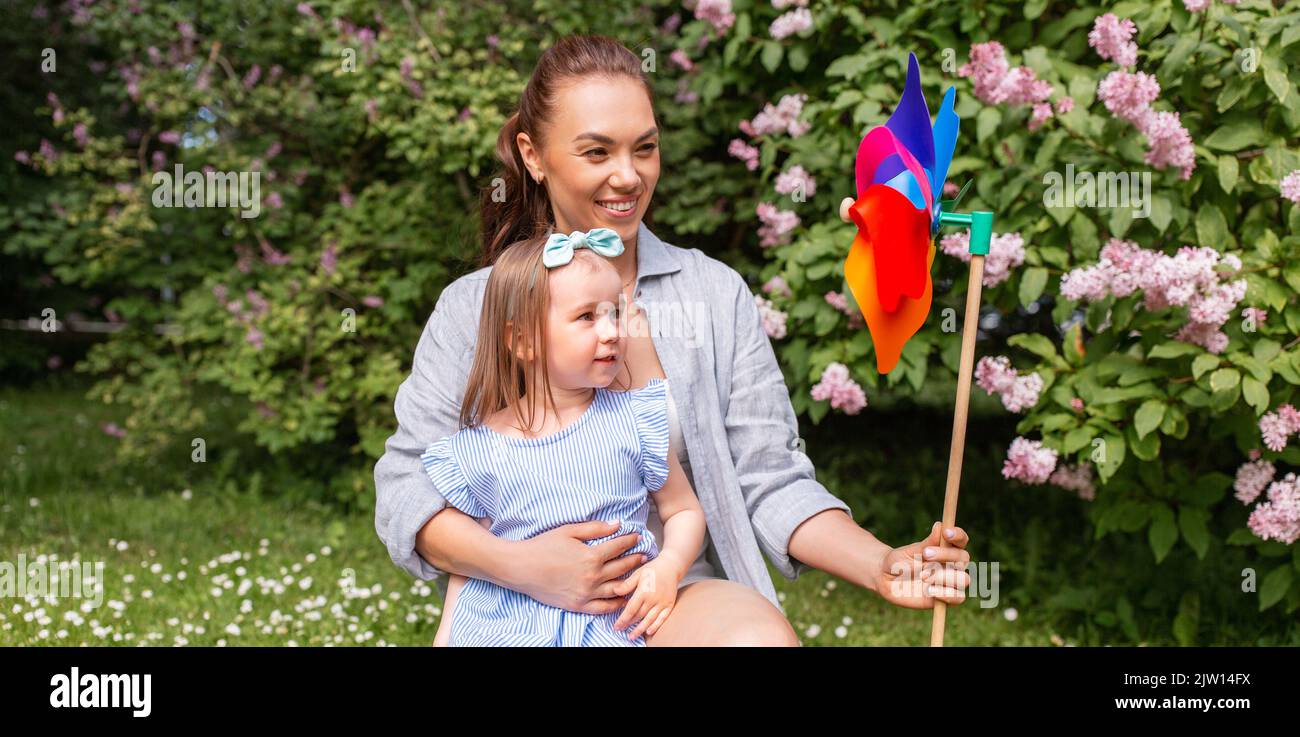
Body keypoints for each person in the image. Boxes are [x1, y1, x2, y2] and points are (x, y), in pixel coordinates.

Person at [375, 34, 972, 646]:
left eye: (646, 148)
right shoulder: (474, 307)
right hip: (518, 608)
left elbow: (770, 478)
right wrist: (527, 568)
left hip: (668, 600)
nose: (628, 176)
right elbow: (406, 491)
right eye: (596, 152)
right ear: (533, 155)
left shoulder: (715, 295)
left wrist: (880, 564)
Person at [421, 228, 706, 645]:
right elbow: (467, 564)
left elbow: (682, 510)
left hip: (609, 622)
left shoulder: (635, 420)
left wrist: (669, 567)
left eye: (615, 312)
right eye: (587, 317)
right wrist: (445, 637)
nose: (611, 331)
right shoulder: (478, 449)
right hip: (506, 624)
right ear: (522, 340)